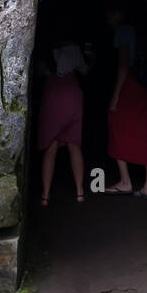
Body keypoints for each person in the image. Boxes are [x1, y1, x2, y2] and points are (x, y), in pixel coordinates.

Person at [104, 3, 147, 197]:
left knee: (116, 126)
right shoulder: (142, 30)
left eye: (109, 15)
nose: (107, 20)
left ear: (119, 14)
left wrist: (116, 95)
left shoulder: (122, 32)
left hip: (131, 85)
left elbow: (123, 66)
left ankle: (126, 181)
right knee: (146, 130)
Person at [37, 36, 88, 206]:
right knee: (74, 144)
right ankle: (80, 192)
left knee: (51, 145)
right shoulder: (73, 48)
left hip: (52, 94)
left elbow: (38, 72)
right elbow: (85, 70)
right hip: (72, 94)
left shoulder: (44, 47)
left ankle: (45, 195)